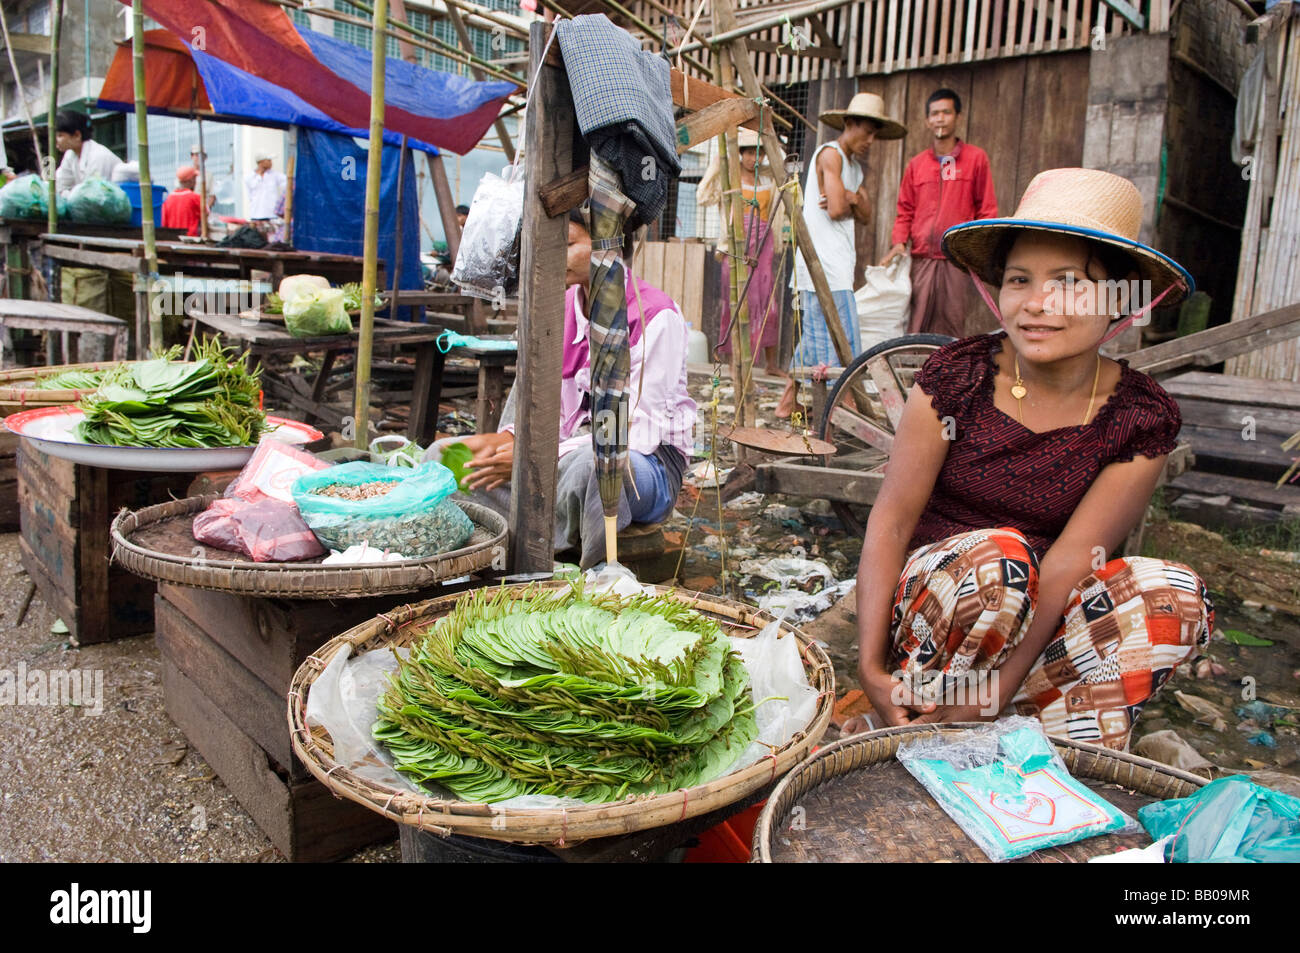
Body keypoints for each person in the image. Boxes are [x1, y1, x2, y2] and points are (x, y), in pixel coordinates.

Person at [848, 168, 1212, 752]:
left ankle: (1026, 737)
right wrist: (869, 668)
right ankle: (915, 713)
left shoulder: (1141, 418)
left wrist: (994, 692)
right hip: (939, 617)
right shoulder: (957, 378)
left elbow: (1072, 562)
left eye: (1068, 283)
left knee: (1173, 590)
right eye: (1020, 280)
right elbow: (890, 521)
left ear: (1121, 299)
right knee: (1000, 561)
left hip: (1039, 637)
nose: (1036, 305)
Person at [454, 210, 697, 569]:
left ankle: (590, 576)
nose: (555, 254)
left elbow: (636, 433)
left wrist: (533, 461)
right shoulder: (559, 309)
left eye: (567, 244)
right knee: (450, 458)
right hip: (562, 453)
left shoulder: (656, 316)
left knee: (596, 467)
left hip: (645, 464)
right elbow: (535, 406)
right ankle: (511, 551)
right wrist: (506, 444)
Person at [781, 92, 904, 417]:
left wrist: (852, 196)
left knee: (816, 334)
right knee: (837, 336)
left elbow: (865, 215)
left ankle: (786, 403)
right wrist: (851, 199)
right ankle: (839, 407)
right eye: (867, 130)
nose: (871, 139)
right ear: (850, 124)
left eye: (876, 133)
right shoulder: (830, 155)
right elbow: (837, 209)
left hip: (838, 260)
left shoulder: (853, 168)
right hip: (822, 263)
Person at [881, 88, 998, 339]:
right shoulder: (917, 164)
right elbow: (905, 209)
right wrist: (899, 243)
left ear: (958, 117)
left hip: (956, 259)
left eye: (946, 112)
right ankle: (914, 374)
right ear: (927, 121)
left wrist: (977, 252)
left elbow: (986, 209)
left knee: (952, 322)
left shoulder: (976, 159)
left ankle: (948, 375)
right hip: (922, 258)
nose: (940, 119)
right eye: (934, 114)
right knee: (917, 322)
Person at [703, 128, 784, 378]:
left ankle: (771, 365)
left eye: (759, 153)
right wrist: (720, 160)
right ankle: (733, 363)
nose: (754, 159)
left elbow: (781, 163)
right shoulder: (729, 176)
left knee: (769, 306)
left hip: (763, 244)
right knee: (736, 302)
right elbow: (704, 195)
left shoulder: (770, 178)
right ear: (740, 154)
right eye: (749, 152)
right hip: (736, 244)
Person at [54, 110, 122, 197]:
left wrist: (69, 195)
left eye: (60, 135)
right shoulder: (70, 155)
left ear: (77, 135)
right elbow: (60, 185)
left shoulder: (98, 156)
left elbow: (93, 196)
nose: (56, 140)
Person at [161, 166, 203, 236]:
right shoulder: (195, 197)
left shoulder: (168, 199)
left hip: (173, 240)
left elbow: (164, 223)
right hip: (191, 239)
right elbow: (205, 215)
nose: (196, 182)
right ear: (191, 180)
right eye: (195, 178)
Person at [244, 151, 286, 221]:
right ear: (261, 162)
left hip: (272, 216)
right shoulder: (249, 177)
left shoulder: (275, 175)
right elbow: (250, 195)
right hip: (256, 215)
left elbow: (289, 183)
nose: (271, 163)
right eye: (269, 160)